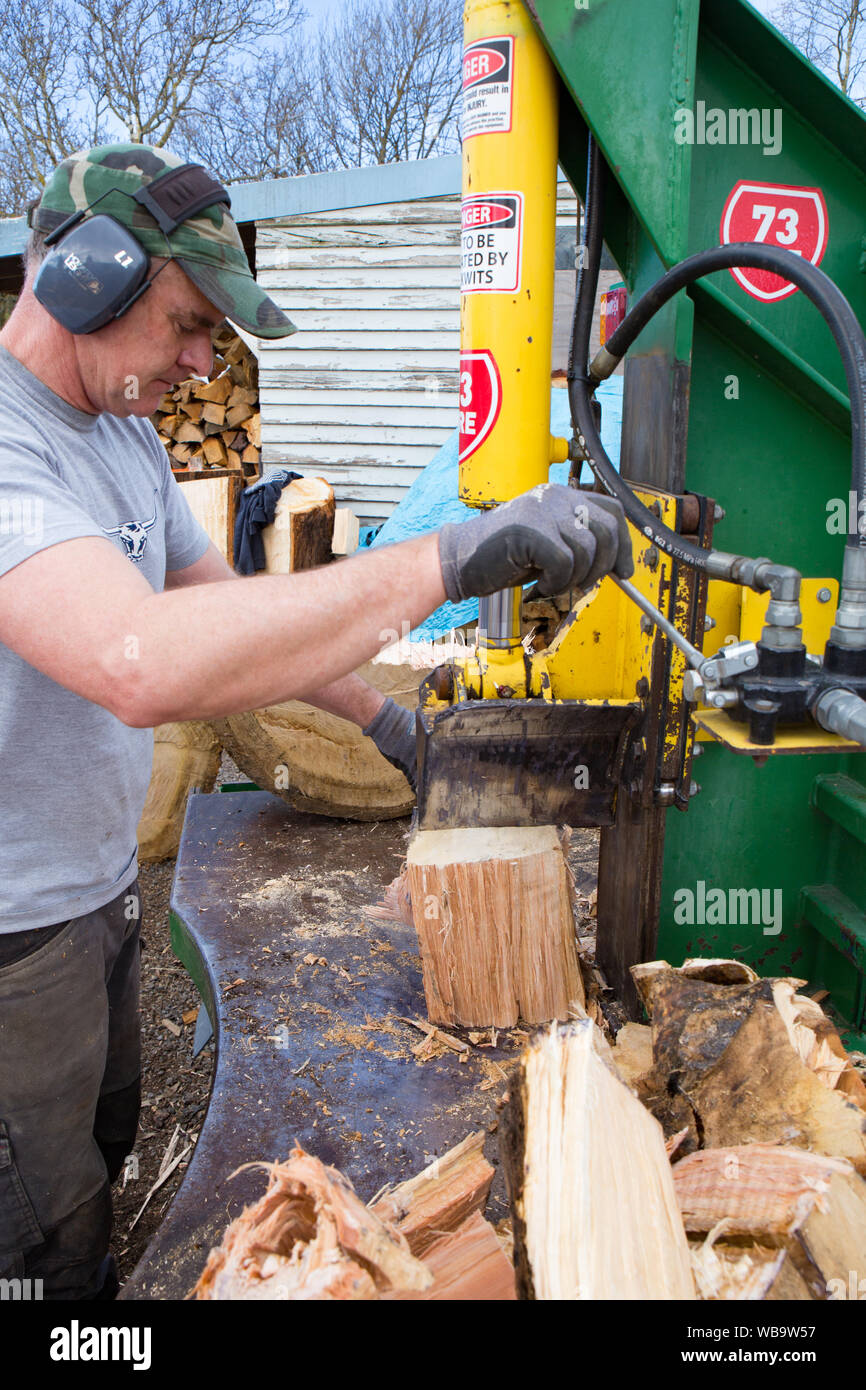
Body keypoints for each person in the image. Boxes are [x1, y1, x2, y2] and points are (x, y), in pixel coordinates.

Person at [0, 145, 633, 1299]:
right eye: (190, 321)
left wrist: (392, 727)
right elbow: (138, 661)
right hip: (9, 935)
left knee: (94, 1166)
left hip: (92, 899)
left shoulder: (125, 437)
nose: (203, 361)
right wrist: (440, 560)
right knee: (39, 1235)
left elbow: (227, 618)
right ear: (85, 279)